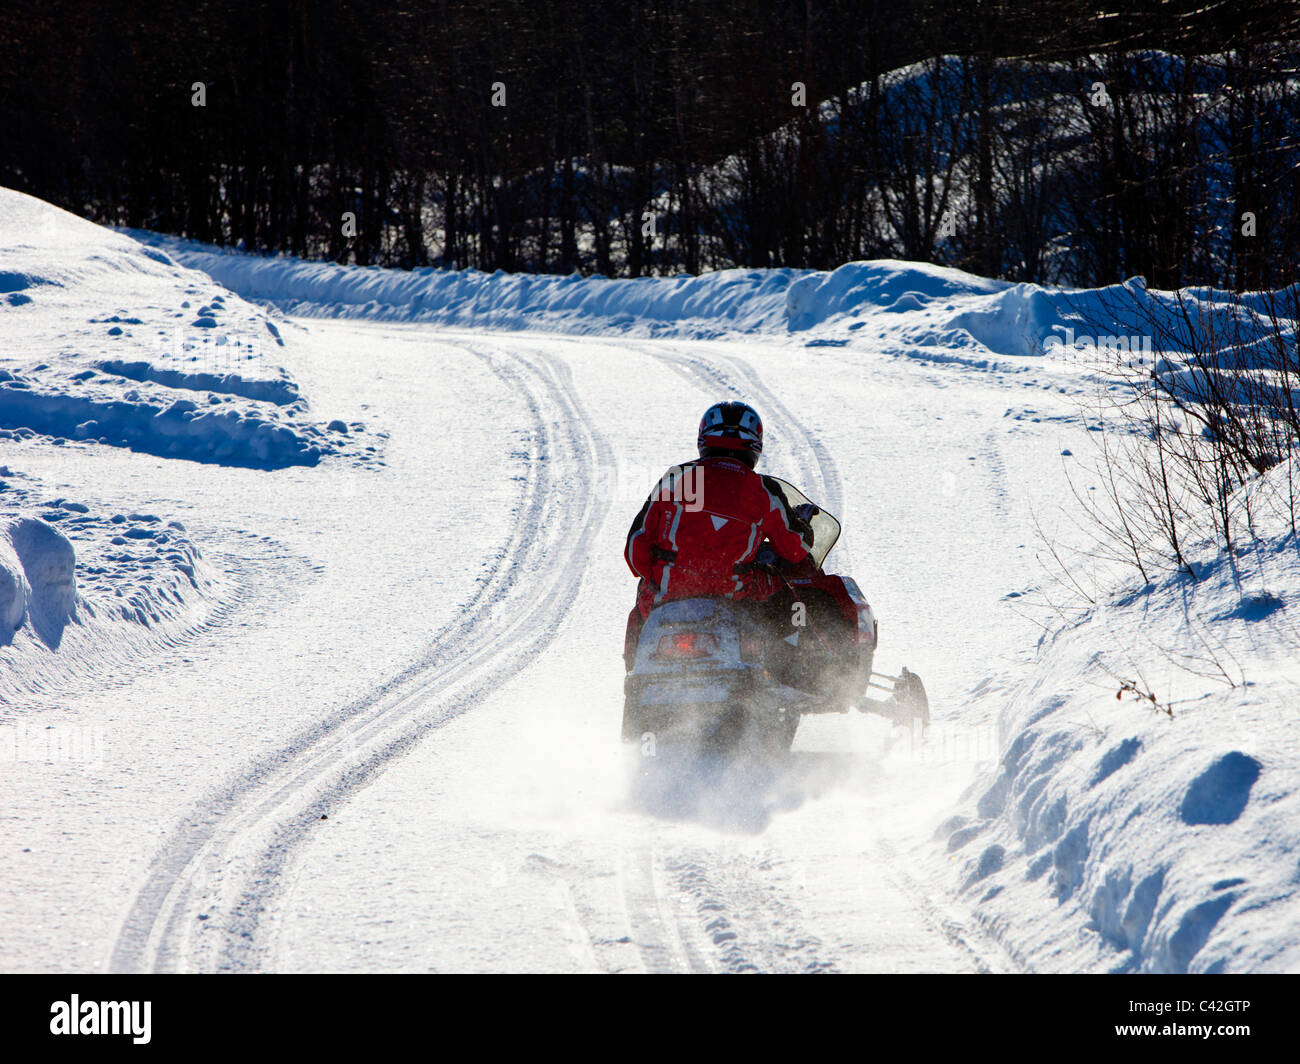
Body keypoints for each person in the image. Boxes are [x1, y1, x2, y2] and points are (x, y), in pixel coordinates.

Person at [623, 401, 820, 669]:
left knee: (642, 595)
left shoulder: (680, 479)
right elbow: (795, 550)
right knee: (791, 596)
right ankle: (781, 671)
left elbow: (636, 551)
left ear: (704, 438)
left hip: (668, 598)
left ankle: (636, 667)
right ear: (755, 443)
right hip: (733, 598)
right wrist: (802, 524)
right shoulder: (762, 491)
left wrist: (668, 574)